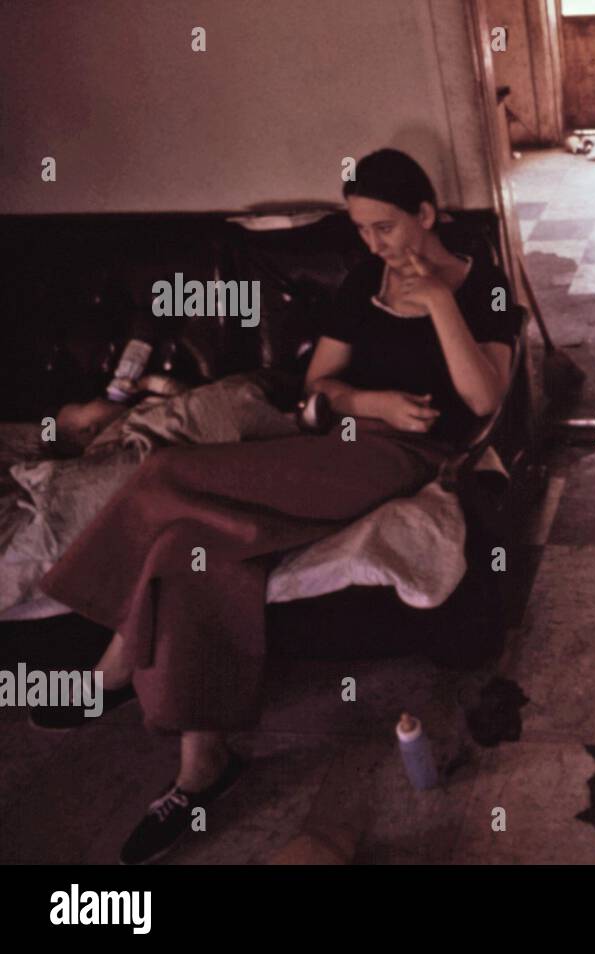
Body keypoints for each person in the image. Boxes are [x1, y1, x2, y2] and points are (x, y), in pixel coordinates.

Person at [35, 148, 516, 863]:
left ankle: (111, 660)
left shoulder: (487, 288)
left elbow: (484, 400)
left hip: (406, 457)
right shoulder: (362, 283)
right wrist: (368, 399)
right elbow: (317, 386)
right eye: (360, 229)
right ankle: (205, 768)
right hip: (340, 436)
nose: (374, 244)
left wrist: (442, 302)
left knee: (168, 475)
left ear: (426, 214)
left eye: (386, 227)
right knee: (187, 541)